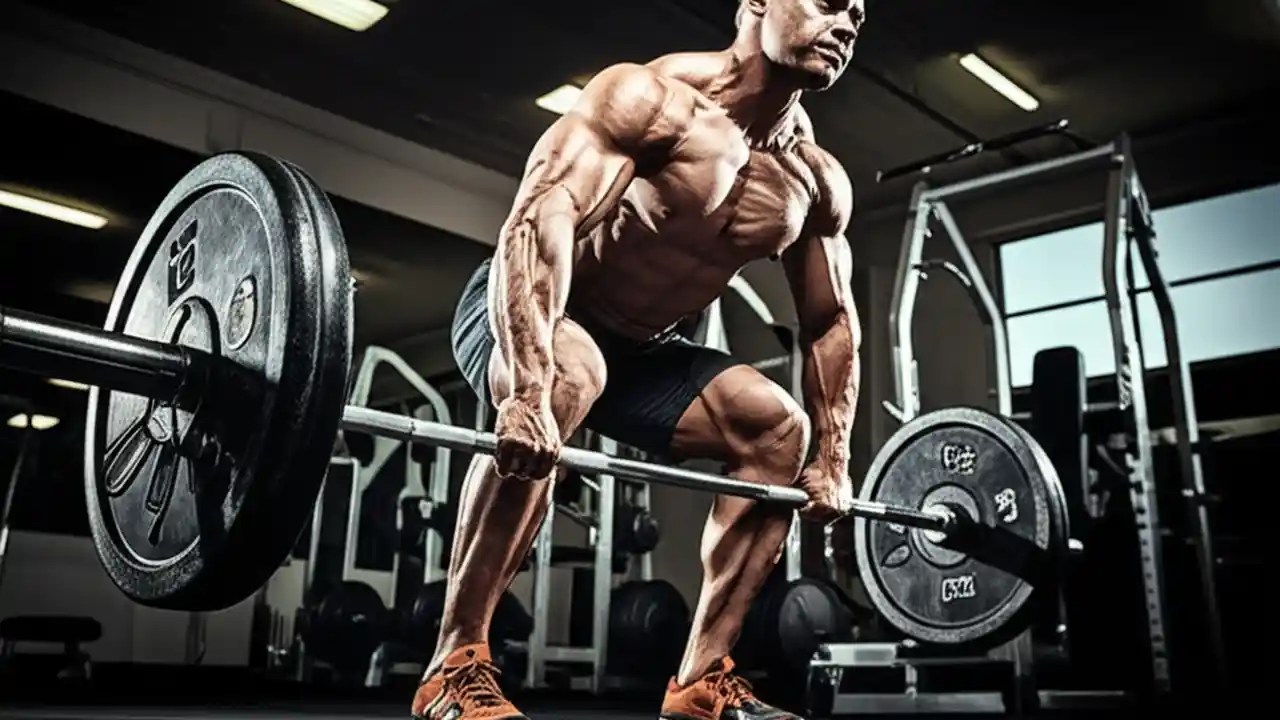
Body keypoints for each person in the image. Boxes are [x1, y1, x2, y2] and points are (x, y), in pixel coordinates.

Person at [415, 1, 865, 718]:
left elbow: (829, 320)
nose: (847, 23)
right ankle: (454, 663)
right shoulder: (653, 100)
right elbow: (541, 214)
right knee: (572, 374)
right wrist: (528, 388)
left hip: (645, 353)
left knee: (779, 431)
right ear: (755, 3)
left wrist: (832, 456)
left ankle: (700, 684)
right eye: (828, 2)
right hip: (531, 309)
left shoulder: (813, 179)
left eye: (859, 14)